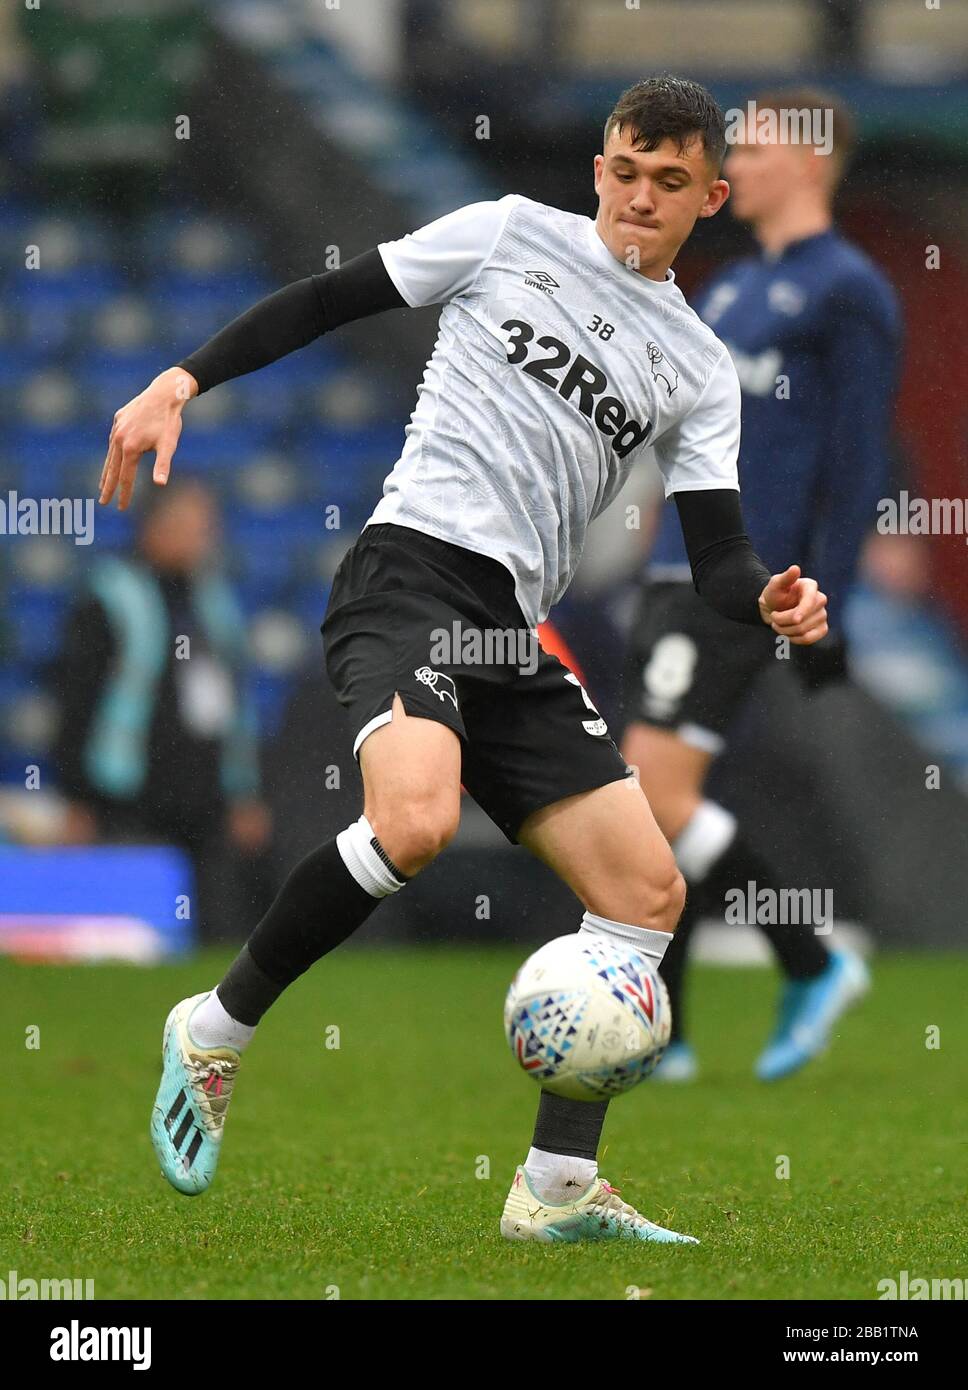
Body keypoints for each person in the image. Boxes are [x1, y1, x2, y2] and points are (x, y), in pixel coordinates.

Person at [99, 77, 829, 1244]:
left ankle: (553, 1192)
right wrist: (181, 378)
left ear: (710, 196)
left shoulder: (695, 364)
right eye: (623, 172)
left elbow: (718, 555)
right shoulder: (504, 233)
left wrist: (772, 597)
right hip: (409, 575)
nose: (639, 198)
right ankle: (216, 1026)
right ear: (598, 168)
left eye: (668, 182)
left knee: (645, 893)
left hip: (511, 632)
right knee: (417, 820)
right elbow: (328, 299)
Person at [619, 88, 902, 1083]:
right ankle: (676, 1033)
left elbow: (857, 459)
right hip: (675, 563)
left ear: (813, 160)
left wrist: (827, 605)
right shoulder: (732, 288)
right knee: (665, 799)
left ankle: (809, 959)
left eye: (757, 141)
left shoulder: (847, 290)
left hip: (747, 574)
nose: (735, 155)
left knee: (649, 790)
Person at [52, 477, 273, 944]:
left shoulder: (213, 600)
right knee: (135, 936)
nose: (203, 538)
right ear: (152, 527)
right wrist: (76, 797)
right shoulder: (109, 597)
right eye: (190, 525)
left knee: (220, 937)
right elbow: (75, 700)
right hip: (128, 796)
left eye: (206, 527)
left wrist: (244, 792)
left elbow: (236, 703)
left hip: (207, 799)